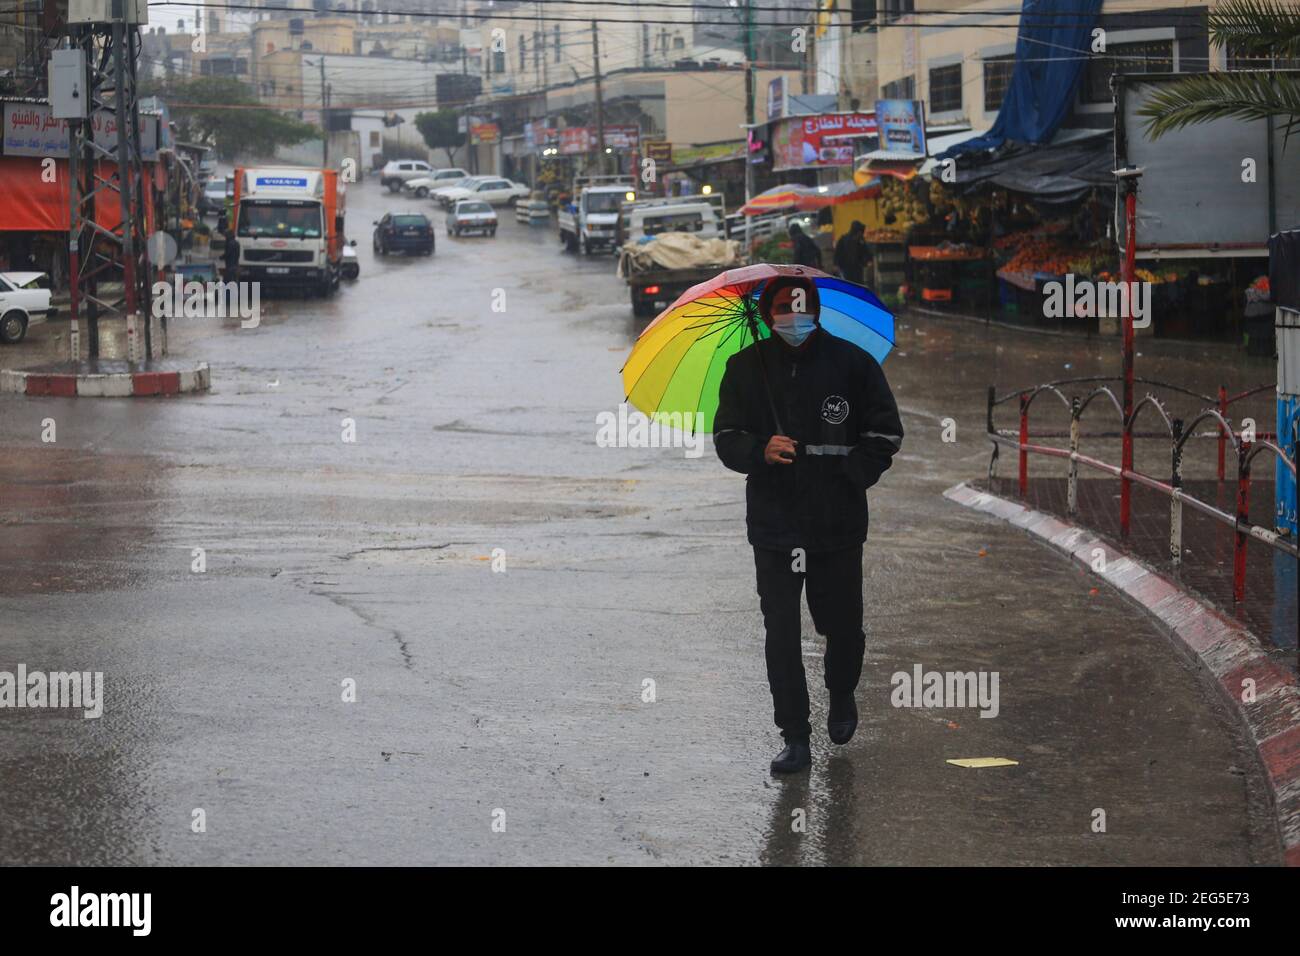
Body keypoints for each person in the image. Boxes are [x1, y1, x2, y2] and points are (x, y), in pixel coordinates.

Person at [713, 275, 903, 774]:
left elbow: (885, 432)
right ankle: (795, 735)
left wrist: (851, 476)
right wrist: (759, 450)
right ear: (768, 312)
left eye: (801, 306)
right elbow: (726, 437)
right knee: (781, 633)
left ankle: (841, 694)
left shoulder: (853, 364)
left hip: (837, 526)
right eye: (782, 307)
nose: (793, 316)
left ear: (816, 309)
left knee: (842, 627)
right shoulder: (744, 368)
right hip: (775, 529)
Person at [833, 220, 871, 285]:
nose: (861, 233)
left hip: (857, 267)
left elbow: (866, 251)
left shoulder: (860, 239)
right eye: (859, 231)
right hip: (847, 267)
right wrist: (836, 264)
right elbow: (838, 252)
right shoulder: (844, 239)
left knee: (858, 284)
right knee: (850, 284)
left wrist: (868, 260)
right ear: (856, 231)